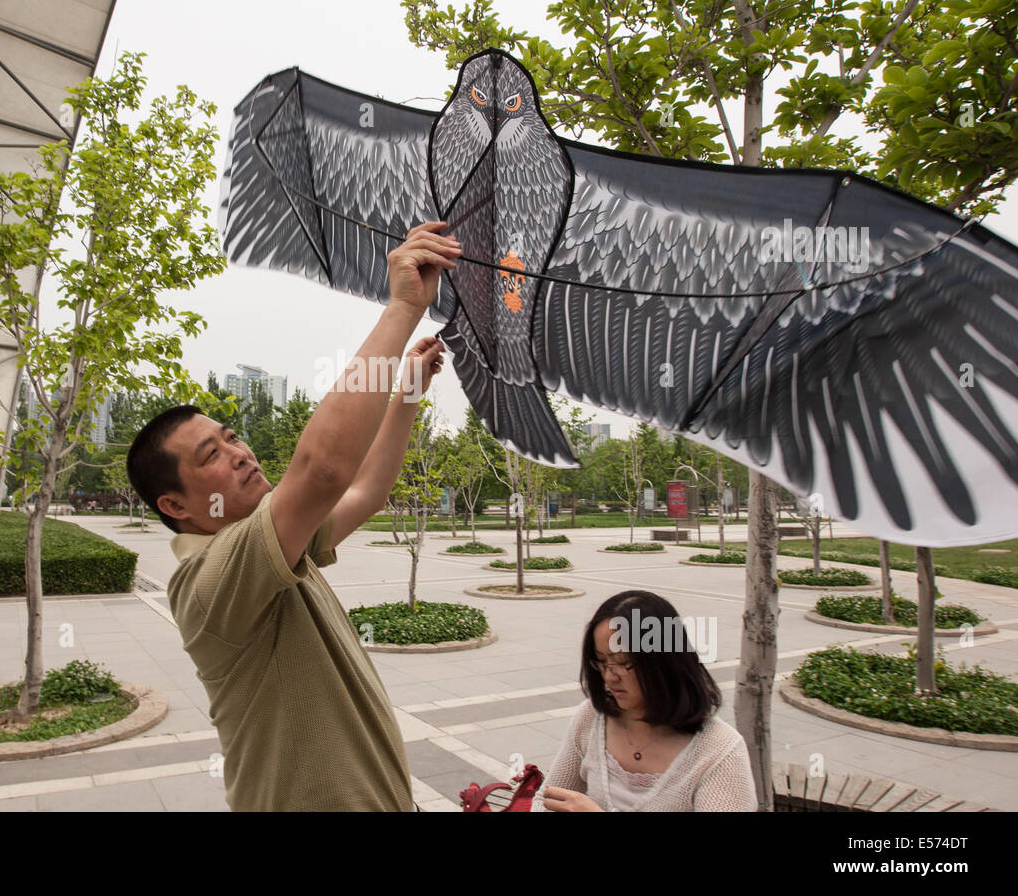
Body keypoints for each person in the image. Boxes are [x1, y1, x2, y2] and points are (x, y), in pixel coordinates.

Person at [126, 221, 461, 811]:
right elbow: (323, 470)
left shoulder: (279, 545)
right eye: (212, 456)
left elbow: (364, 491)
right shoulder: (209, 582)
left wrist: (406, 394)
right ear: (175, 506)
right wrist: (404, 306)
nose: (240, 453)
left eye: (232, 438)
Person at [533, 589, 758, 811]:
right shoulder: (592, 718)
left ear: (664, 661)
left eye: (623, 661)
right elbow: (546, 799)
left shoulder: (719, 752)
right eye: (601, 661)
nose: (610, 675)